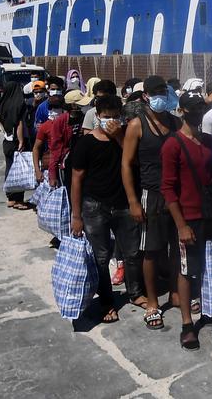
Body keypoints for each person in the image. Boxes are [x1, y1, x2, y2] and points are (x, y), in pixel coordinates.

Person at [68, 94, 144, 324]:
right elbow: (76, 179)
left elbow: (135, 162)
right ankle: (107, 301)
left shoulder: (125, 140)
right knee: (101, 257)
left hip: (123, 205)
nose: (110, 121)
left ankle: (136, 293)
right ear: (96, 117)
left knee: (131, 253)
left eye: (115, 117)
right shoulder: (86, 143)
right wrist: (76, 215)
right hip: (95, 207)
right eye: (105, 117)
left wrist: (120, 136)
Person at [161, 95, 212, 350]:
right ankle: (188, 324)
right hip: (188, 218)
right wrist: (181, 225)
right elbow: (167, 188)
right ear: (182, 111)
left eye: (202, 108)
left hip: (210, 214)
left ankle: (211, 307)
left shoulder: (209, 141)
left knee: (211, 266)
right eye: (194, 108)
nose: (198, 113)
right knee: (187, 270)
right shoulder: (172, 145)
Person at [121, 75, 180, 329]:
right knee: (151, 250)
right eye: (154, 93)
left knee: (178, 246)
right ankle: (153, 302)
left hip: (175, 194)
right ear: (145, 96)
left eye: (162, 93)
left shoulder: (175, 123)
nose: (159, 98)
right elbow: (126, 164)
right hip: (151, 193)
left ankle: (177, 292)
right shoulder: (137, 125)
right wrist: (134, 201)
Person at [0, 81, 32, 209]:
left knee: (9, 168)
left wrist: (7, 133)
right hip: (17, 142)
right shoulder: (19, 104)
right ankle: (18, 200)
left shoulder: (3, 103)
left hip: (7, 141)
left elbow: (1, 121)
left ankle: (10, 198)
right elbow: (19, 124)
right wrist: (21, 141)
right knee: (19, 170)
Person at [32, 96, 72, 187]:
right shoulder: (45, 126)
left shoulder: (70, 123)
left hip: (68, 164)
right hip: (52, 165)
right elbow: (36, 148)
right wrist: (37, 170)